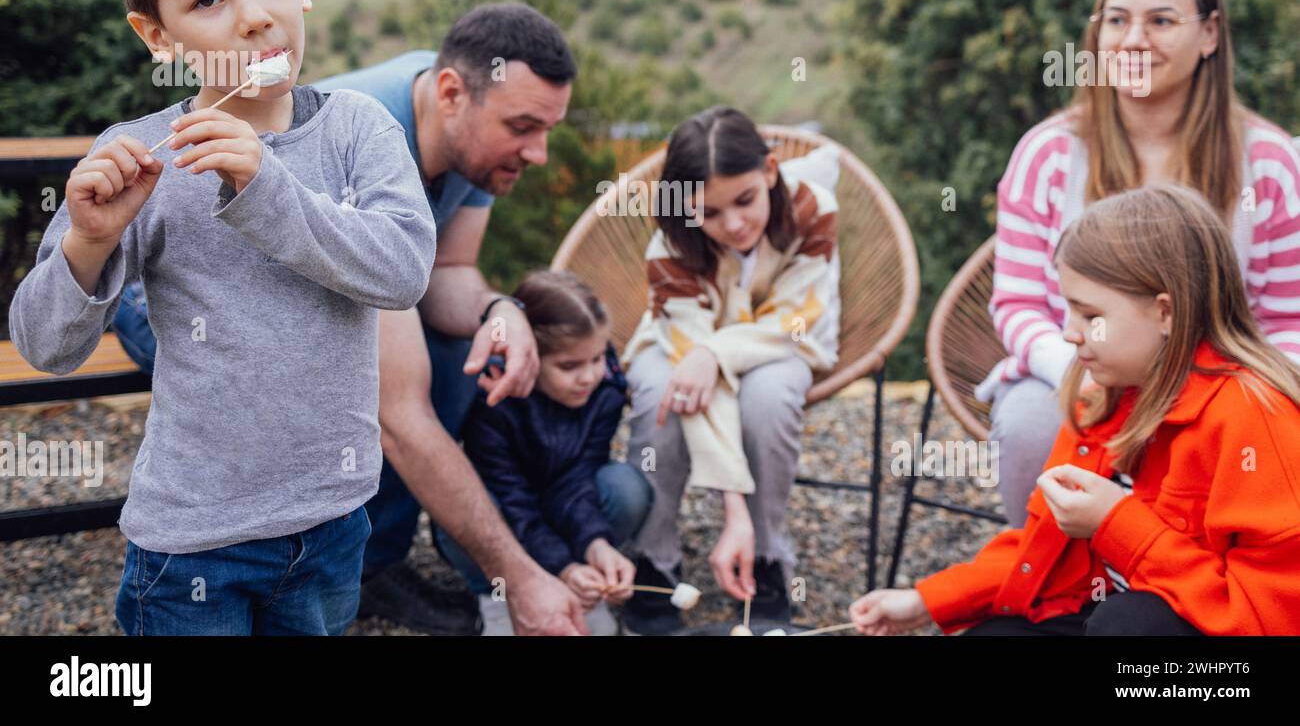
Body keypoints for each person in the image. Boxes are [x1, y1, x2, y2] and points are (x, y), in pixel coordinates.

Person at [9, 0, 439, 634]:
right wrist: (87, 243)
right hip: (193, 545)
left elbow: (402, 270)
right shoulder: (144, 158)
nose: (253, 16)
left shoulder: (355, 130)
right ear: (157, 34)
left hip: (333, 520)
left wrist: (265, 187)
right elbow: (45, 345)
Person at [107, 2, 596, 635]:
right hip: (171, 296)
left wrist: (501, 309)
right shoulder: (368, 128)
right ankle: (268, 556)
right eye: (525, 127)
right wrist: (527, 584)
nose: (538, 152)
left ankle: (375, 559)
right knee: (377, 389)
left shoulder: (474, 130)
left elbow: (448, 272)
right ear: (451, 93)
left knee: (462, 354)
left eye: (547, 129)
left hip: (324, 280)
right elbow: (399, 410)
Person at [851, 185, 1300, 636]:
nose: (1069, 333)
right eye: (1068, 311)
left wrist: (1115, 524)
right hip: (1097, 611)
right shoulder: (1104, 394)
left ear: (1166, 312)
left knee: (1129, 623)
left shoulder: (1253, 416)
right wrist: (928, 601)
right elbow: (1042, 547)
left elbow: (1271, 619)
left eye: (1090, 316)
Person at [979, 0, 1300, 528]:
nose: (1133, 41)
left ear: (1209, 35)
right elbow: (1019, 303)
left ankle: (1200, 592)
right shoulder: (1048, 154)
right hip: (1077, 370)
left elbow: (1288, 321)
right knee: (1028, 422)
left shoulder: (1272, 164)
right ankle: (1046, 596)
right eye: (1117, 21)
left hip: (1221, 381)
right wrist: (1073, 371)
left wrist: (1222, 392)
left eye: (1160, 21)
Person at [620, 106, 840, 634]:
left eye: (744, 201)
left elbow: (795, 318)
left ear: (769, 171)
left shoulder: (814, 211)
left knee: (768, 399)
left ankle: (766, 558)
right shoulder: (669, 244)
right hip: (677, 335)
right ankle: (653, 558)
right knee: (659, 394)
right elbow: (689, 357)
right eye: (709, 213)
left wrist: (714, 354)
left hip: (782, 340)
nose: (734, 224)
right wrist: (731, 505)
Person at [437, 270, 652, 635]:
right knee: (462, 510)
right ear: (529, 355)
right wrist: (565, 564)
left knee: (626, 487)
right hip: (507, 510)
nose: (588, 376)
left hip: (564, 509)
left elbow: (579, 478)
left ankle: (581, 587)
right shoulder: (493, 401)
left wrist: (594, 545)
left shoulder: (606, 390)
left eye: (598, 358)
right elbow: (512, 496)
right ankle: (496, 596)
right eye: (569, 366)